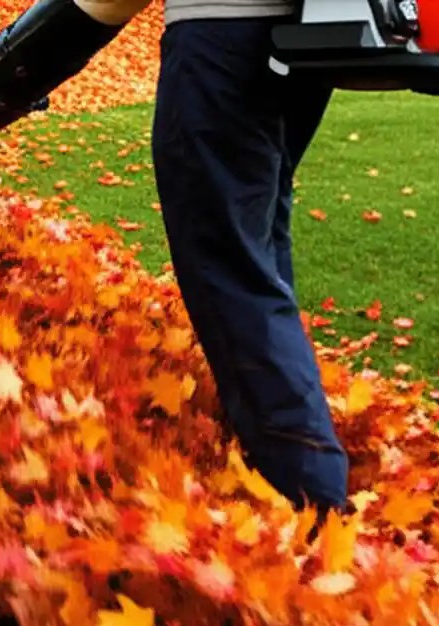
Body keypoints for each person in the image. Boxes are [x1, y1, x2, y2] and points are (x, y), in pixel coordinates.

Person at [151, 0, 350, 515]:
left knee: (228, 265)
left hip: (222, 28)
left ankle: (313, 501)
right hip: (301, 34)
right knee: (256, 241)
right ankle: (275, 446)